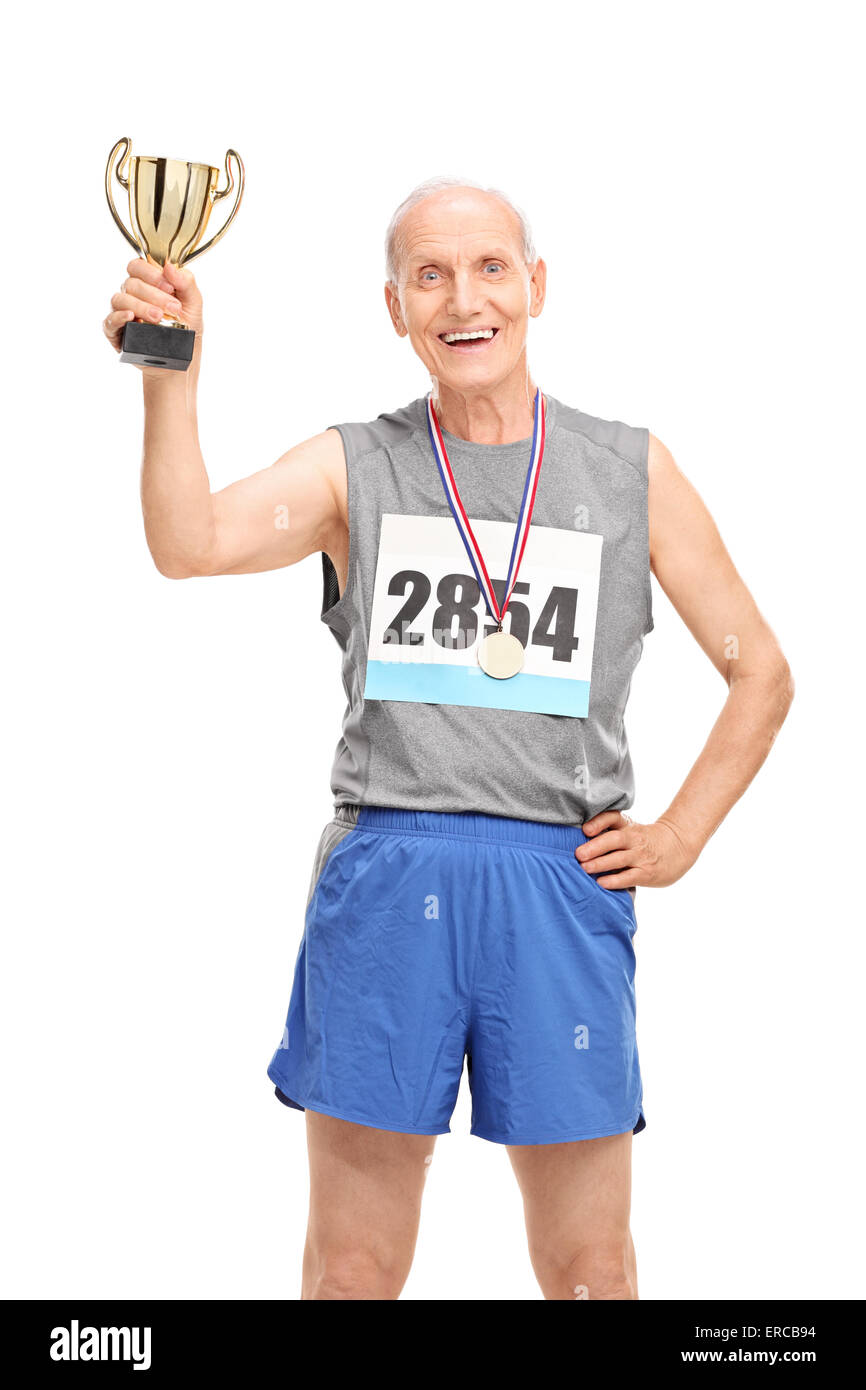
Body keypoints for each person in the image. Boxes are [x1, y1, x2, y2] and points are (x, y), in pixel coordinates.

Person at [102, 175, 794, 1301]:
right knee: (352, 1272)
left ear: (532, 286)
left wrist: (678, 839)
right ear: (395, 308)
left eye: (486, 268)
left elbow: (758, 670)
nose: (461, 298)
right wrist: (166, 373)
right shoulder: (355, 467)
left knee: (591, 1272)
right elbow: (187, 542)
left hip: (555, 884)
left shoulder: (626, 469)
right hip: (389, 873)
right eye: (428, 274)